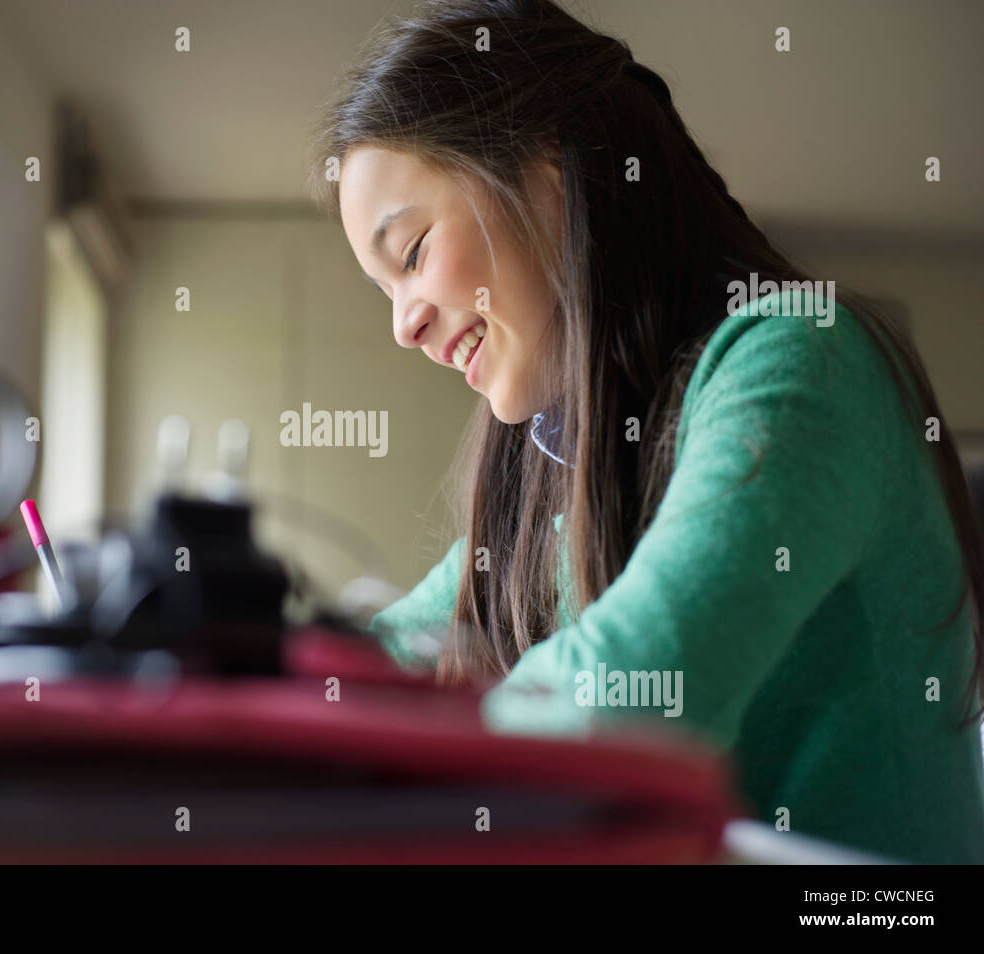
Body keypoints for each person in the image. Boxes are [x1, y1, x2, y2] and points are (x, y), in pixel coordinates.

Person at [308, 0, 984, 863]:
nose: (403, 326)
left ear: (549, 166)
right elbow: (393, 656)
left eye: (409, 255)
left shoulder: (802, 361)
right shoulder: (557, 460)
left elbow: (631, 694)